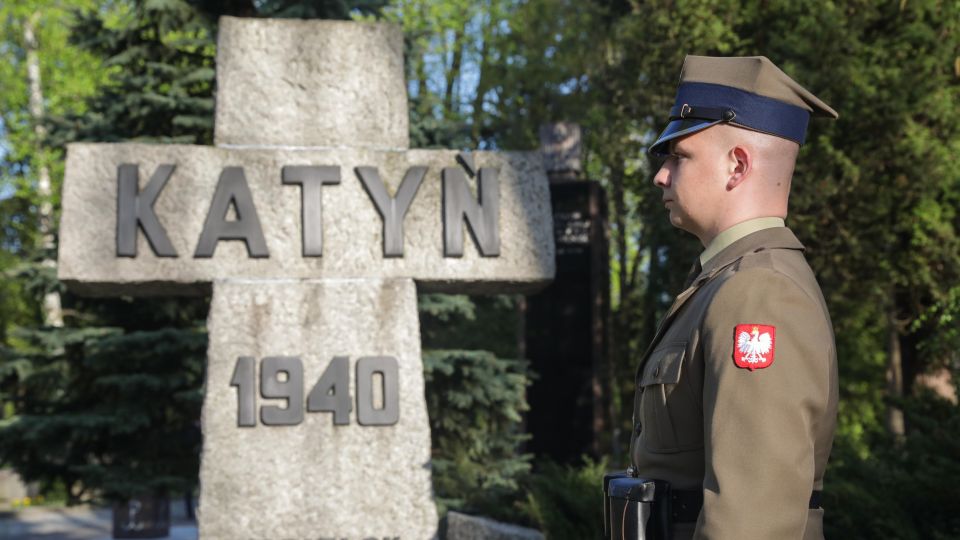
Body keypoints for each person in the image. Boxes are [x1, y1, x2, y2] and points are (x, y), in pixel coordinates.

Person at [628, 55, 840, 540]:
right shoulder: (723, 282)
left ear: (737, 165)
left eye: (678, 156)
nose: (661, 175)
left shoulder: (759, 292)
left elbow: (753, 520)